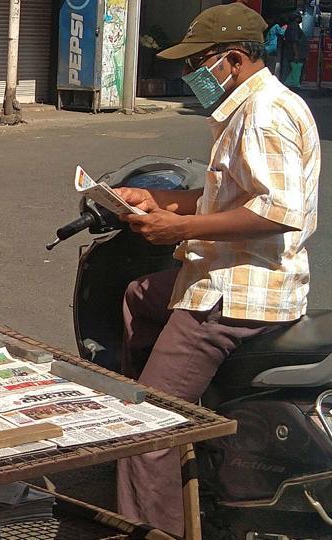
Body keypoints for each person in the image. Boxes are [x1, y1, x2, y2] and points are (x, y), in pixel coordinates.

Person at [113, 3, 319, 535]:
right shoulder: (243, 109)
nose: (190, 76)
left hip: (237, 292)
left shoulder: (265, 114)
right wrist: (149, 197)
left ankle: (154, 521)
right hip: (223, 273)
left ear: (231, 59)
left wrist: (177, 230)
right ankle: (186, 430)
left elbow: (277, 211)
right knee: (140, 294)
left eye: (197, 64)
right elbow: (221, 197)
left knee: (146, 425)